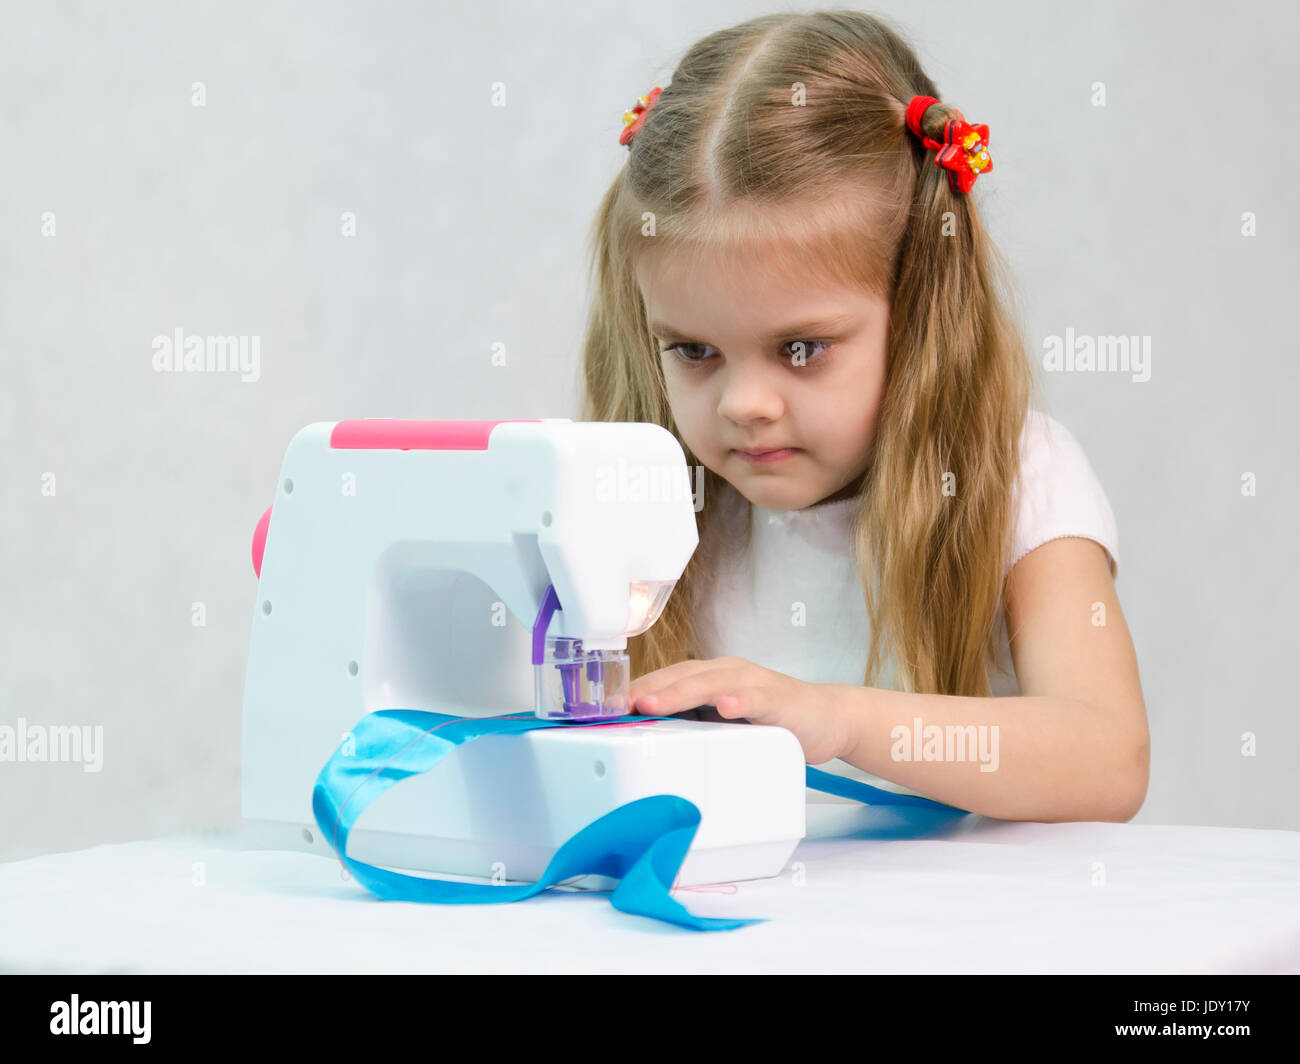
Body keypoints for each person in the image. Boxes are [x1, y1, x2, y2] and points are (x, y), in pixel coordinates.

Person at [581, 10, 1147, 822]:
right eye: (694, 350)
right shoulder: (665, 498)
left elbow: (1107, 759)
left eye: (801, 349)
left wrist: (840, 719)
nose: (744, 405)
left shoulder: (1022, 478)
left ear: (918, 313)